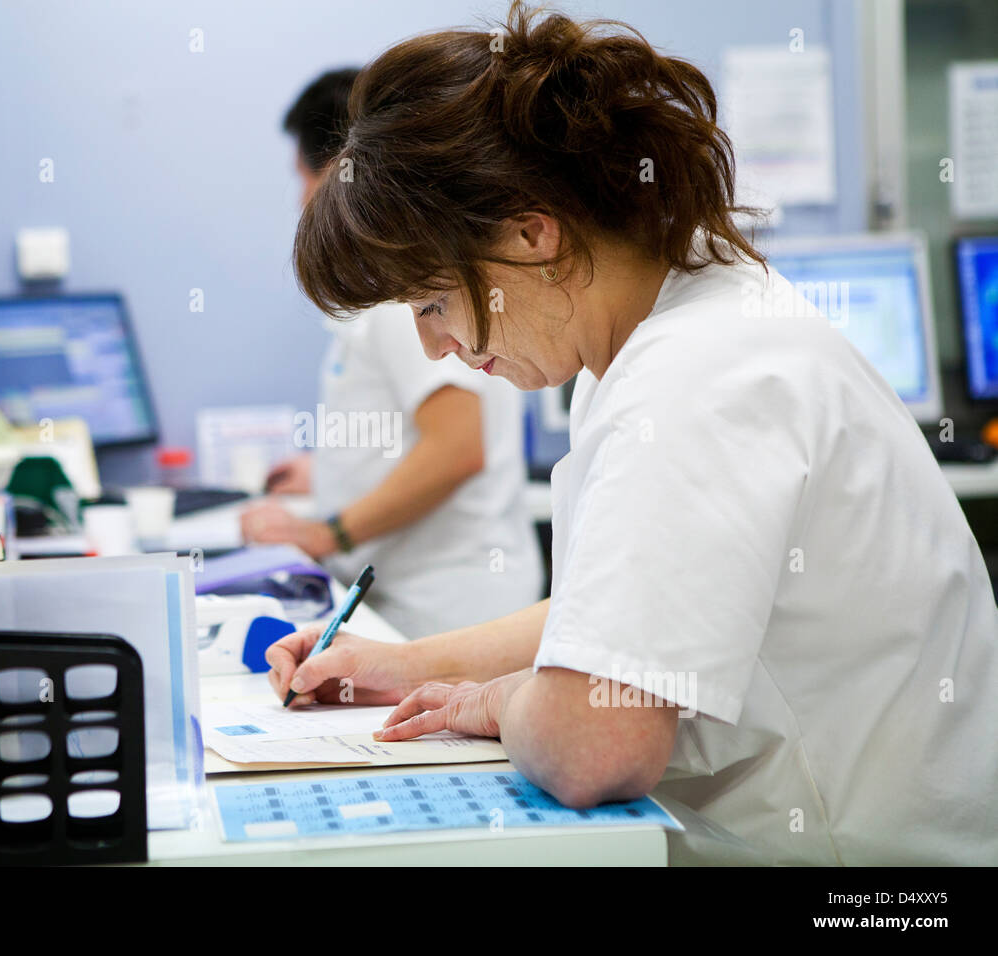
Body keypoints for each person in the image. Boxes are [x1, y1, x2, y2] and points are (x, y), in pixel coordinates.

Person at [265, 3, 998, 865]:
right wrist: (414, 663)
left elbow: (594, 743)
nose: (434, 346)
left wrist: (498, 701)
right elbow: (614, 618)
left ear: (533, 235)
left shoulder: (694, 378)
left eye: (431, 301)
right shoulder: (663, 326)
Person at [239, 68, 543, 640]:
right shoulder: (392, 282)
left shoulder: (407, 282)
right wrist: (334, 470)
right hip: (423, 599)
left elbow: (458, 448)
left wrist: (329, 534)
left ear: (339, 167)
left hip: (448, 607)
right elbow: (419, 425)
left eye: (302, 177)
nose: (304, 201)